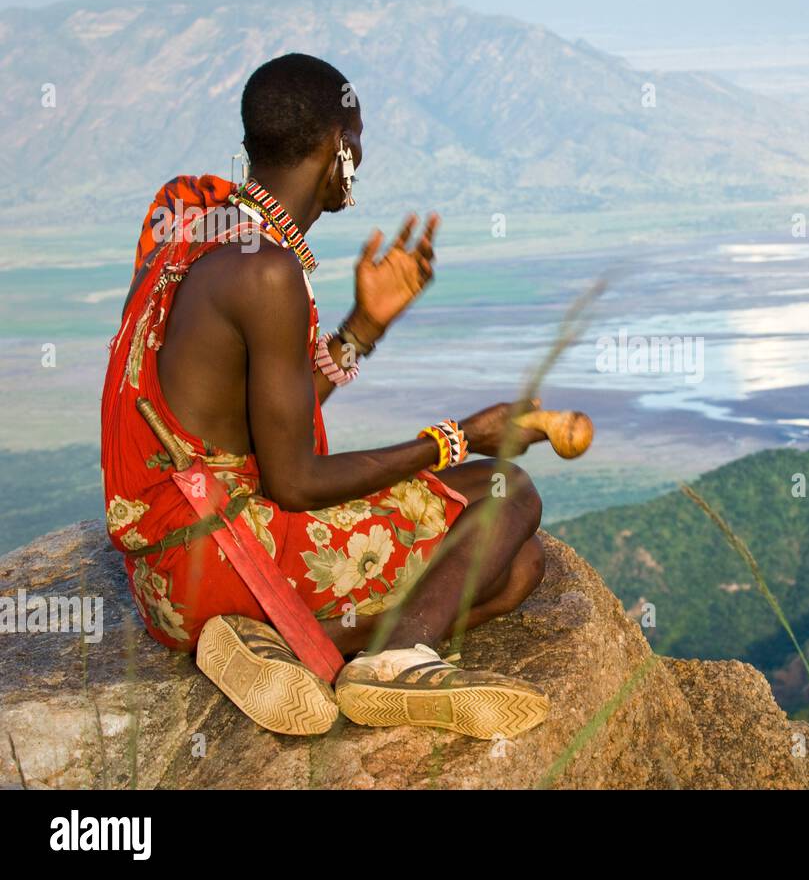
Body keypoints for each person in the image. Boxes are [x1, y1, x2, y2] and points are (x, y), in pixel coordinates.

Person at [100, 53, 551, 739]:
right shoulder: (268, 271)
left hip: (170, 580)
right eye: (358, 138)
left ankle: (264, 644)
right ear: (339, 146)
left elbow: (259, 421)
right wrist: (457, 438)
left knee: (519, 568)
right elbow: (295, 481)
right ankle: (395, 661)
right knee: (507, 489)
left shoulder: (205, 229)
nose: (360, 160)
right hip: (227, 557)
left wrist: (363, 328)